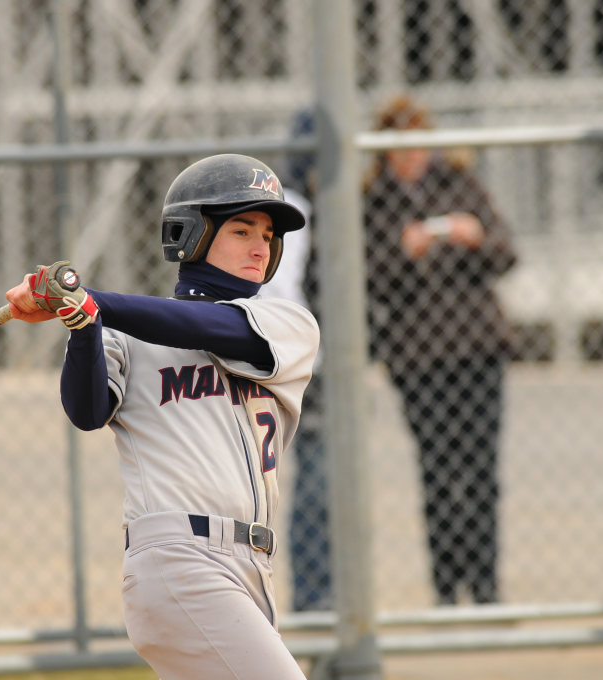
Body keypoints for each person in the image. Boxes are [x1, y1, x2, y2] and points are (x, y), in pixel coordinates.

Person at [6, 153, 319, 678]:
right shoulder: (125, 334)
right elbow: (86, 411)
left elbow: (215, 329)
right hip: (178, 559)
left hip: (252, 568)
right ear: (191, 234)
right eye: (242, 230)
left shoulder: (286, 323)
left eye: (268, 235)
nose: (260, 246)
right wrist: (83, 323)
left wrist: (90, 299)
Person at [363, 93, 518, 605]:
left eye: (420, 146)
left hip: (476, 346)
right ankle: (447, 588)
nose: (414, 158)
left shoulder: (460, 184)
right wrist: (405, 253)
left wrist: (472, 237)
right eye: (401, 149)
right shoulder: (373, 201)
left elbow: (507, 253)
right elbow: (365, 279)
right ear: (384, 153)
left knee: (481, 471)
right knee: (437, 470)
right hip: (418, 356)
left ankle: (487, 586)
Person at [260, 111, 333, 612]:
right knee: (313, 488)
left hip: (308, 364)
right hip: (303, 367)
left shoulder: (317, 209)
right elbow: (282, 296)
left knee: (321, 486)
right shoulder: (298, 212)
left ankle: (324, 599)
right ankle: (315, 601)